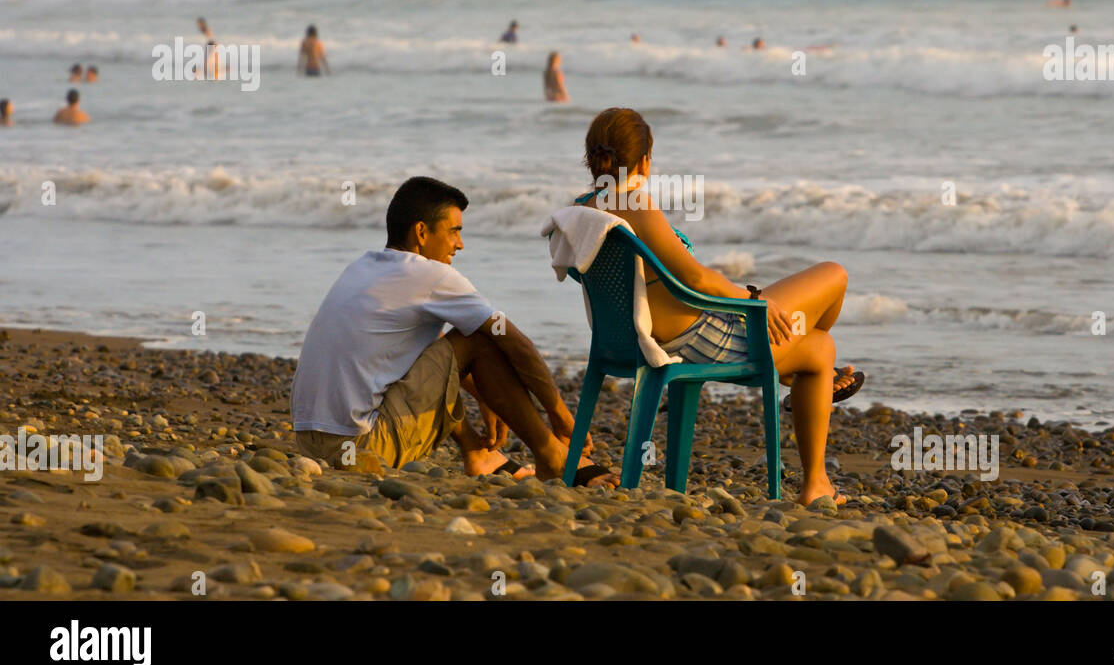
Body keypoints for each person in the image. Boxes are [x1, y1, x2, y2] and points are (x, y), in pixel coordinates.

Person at [574, 108, 864, 505]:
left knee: (815, 346)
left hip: (630, 338)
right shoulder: (635, 202)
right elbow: (696, 279)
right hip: (698, 339)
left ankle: (811, 438)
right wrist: (753, 298)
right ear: (644, 159)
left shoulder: (584, 208)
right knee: (834, 279)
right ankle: (801, 390)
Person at [291, 176, 615, 486]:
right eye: (454, 231)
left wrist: (487, 398)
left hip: (311, 441)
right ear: (421, 232)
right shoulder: (432, 276)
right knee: (480, 337)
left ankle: (478, 452)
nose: (460, 244)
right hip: (362, 446)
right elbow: (517, 344)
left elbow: (428, 359)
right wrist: (560, 416)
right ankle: (551, 454)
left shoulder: (364, 266)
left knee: (444, 342)